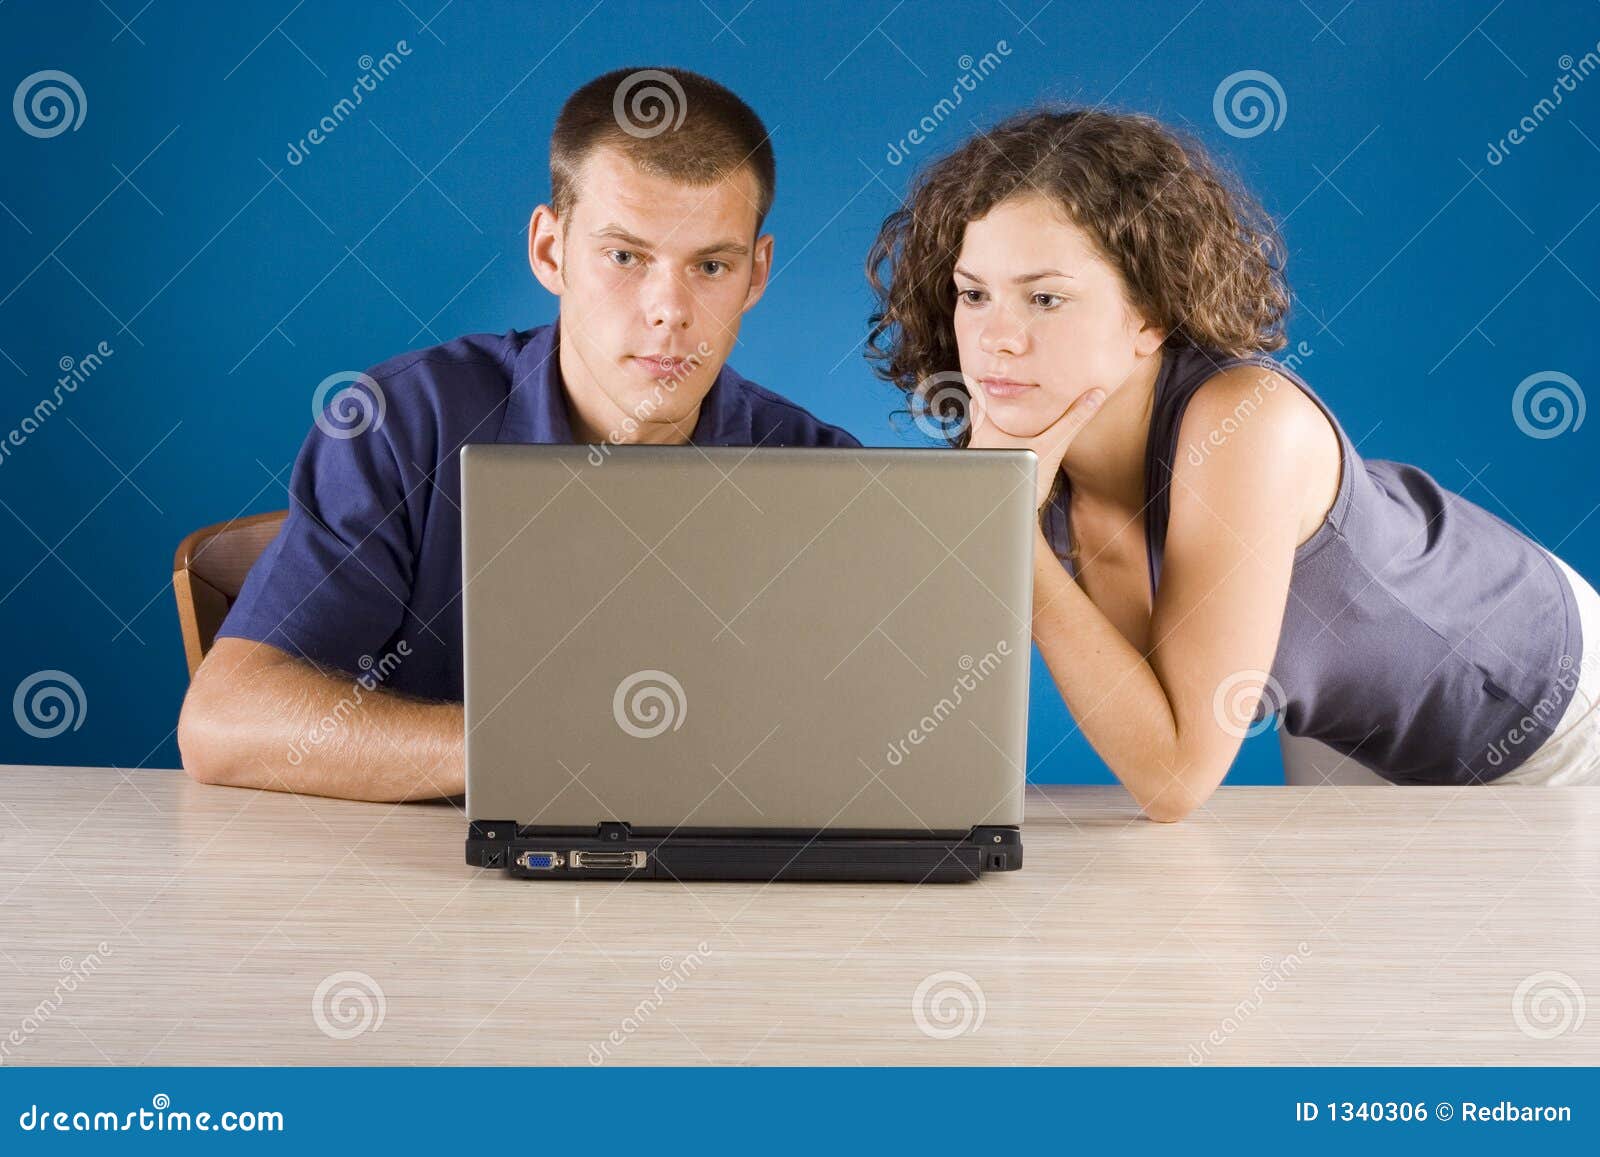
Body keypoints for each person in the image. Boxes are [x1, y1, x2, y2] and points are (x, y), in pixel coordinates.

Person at [865, 107, 1600, 819]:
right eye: (974, 294)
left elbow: (1173, 778)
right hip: (1346, 725)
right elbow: (939, 701)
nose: (997, 337)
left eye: (1046, 298)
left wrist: (1005, 531)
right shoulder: (1023, 451)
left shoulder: (1248, 423)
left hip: (1536, 700)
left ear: (1149, 314)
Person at [178, 67, 858, 802]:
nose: (670, 310)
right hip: (429, 869)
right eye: (624, 256)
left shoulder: (825, 475)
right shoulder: (403, 423)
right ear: (549, 251)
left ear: (756, 275)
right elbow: (223, 722)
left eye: (712, 265)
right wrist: (539, 749)